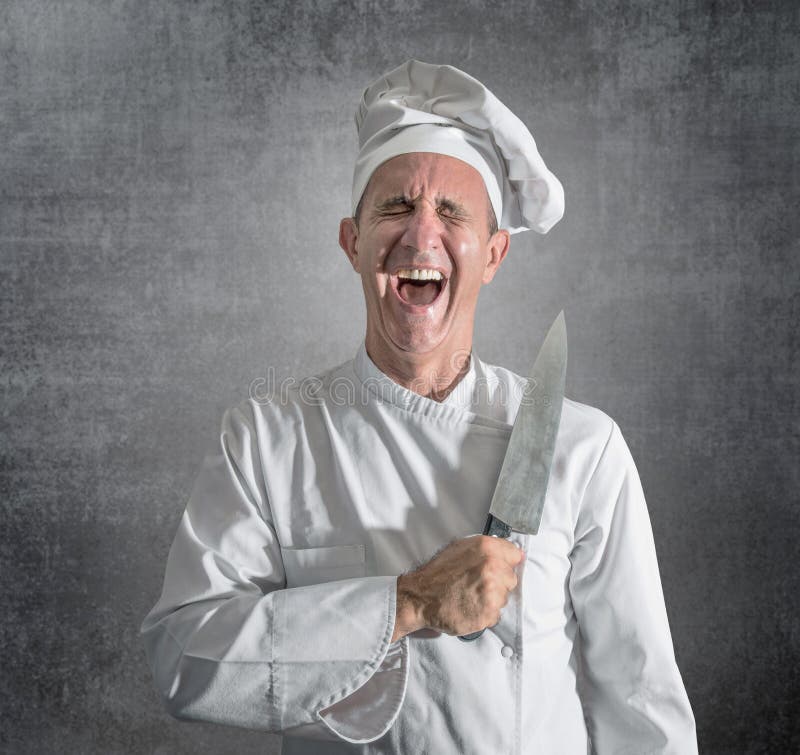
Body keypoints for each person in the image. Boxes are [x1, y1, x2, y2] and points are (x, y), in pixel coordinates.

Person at [142, 60, 697, 754]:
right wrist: (407, 603)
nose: (420, 235)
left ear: (493, 255)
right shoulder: (266, 439)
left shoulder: (578, 446)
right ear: (352, 243)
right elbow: (184, 661)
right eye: (396, 207)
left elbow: (642, 709)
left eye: (452, 212)